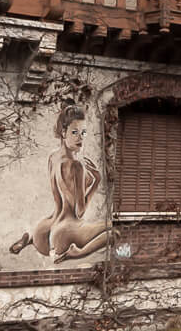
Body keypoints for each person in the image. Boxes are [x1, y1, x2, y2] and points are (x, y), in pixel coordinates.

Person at [9, 105, 111, 262]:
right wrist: (95, 183)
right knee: (115, 230)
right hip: (65, 232)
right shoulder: (76, 165)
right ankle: (78, 252)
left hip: (43, 230)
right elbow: (79, 212)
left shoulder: (53, 158)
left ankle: (29, 238)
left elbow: (60, 192)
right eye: (75, 132)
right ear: (63, 133)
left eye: (83, 133)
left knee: (42, 231)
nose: (80, 138)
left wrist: (84, 184)